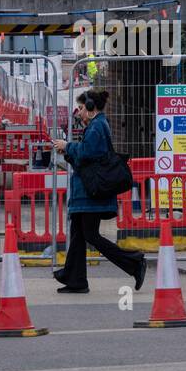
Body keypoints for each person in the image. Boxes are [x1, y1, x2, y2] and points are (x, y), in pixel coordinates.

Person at [51, 89, 145, 294]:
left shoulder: (97, 127)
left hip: (90, 195)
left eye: (82, 108)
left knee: (90, 236)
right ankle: (75, 279)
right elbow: (86, 160)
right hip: (86, 194)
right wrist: (67, 152)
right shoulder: (96, 126)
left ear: (91, 108)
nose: (80, 113)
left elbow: (89, 153)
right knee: (78, 235)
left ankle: (134, 263)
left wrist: (68, 146)